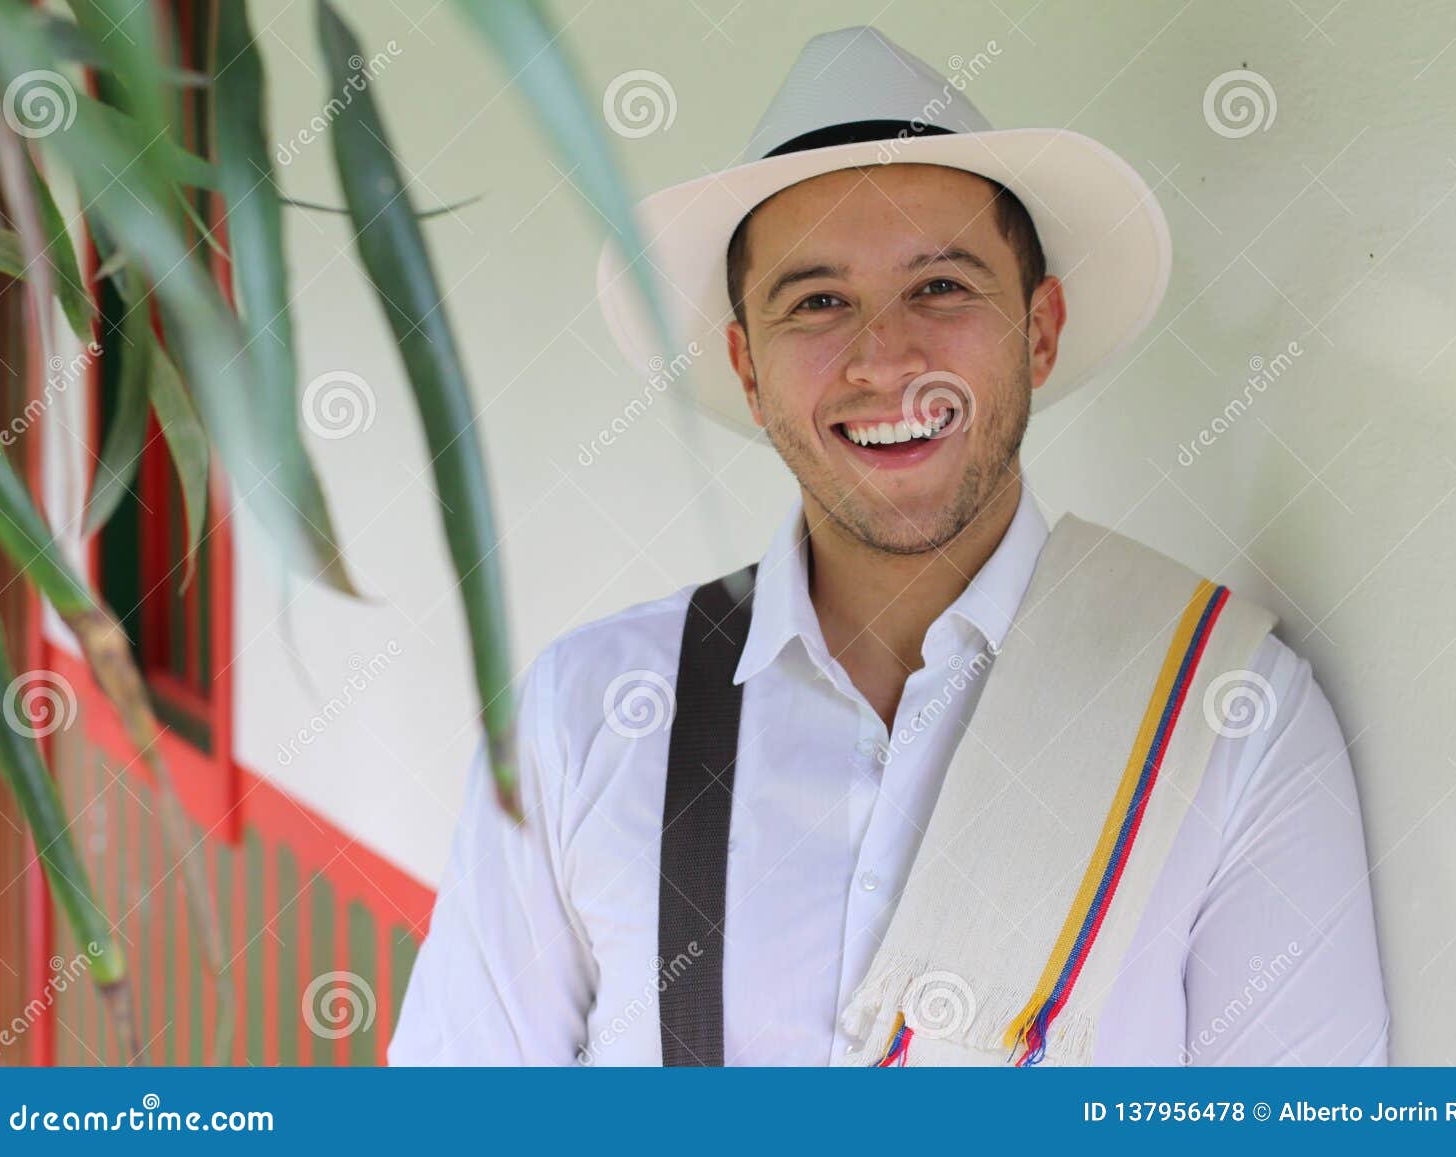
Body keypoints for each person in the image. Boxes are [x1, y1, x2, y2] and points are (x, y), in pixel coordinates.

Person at [388, 25, 1389, 1067]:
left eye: (942, 286)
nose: (886, 358)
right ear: (748, 367)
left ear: (1040, 329)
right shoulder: (583, 717)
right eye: (818, 301)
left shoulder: (1231, 718)